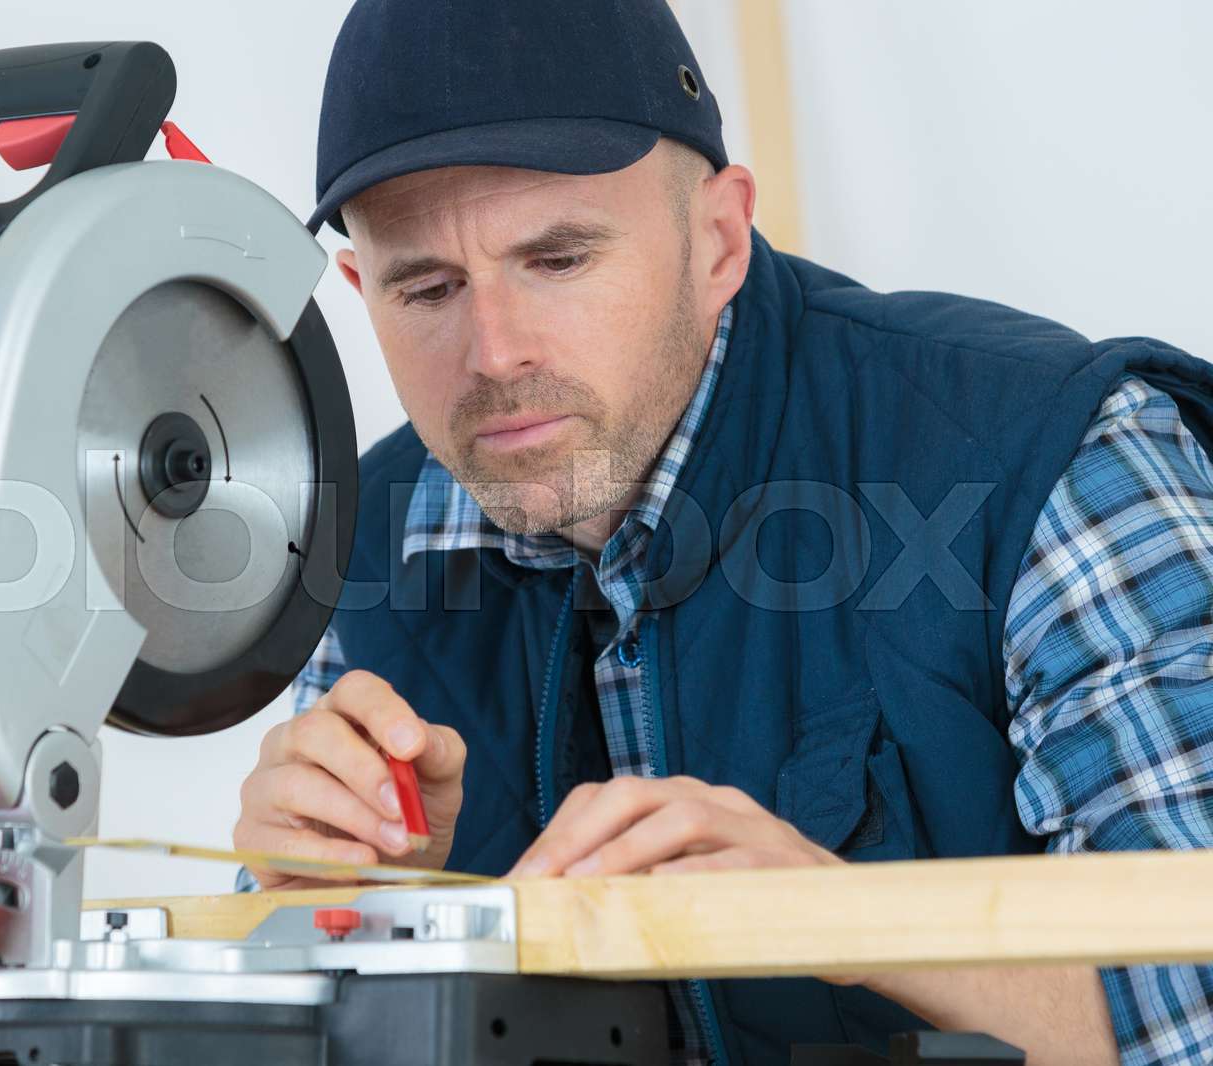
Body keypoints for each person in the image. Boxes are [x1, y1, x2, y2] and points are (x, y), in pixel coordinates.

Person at [232, 2, 1213, 1063]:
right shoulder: (364, 539)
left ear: (718, 238)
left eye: (558, 260)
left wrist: (848, 921)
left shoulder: (1051, 451)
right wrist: (352, 927)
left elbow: (1192, 1020)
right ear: (357, 290)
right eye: (425, 286)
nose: (494, 352)